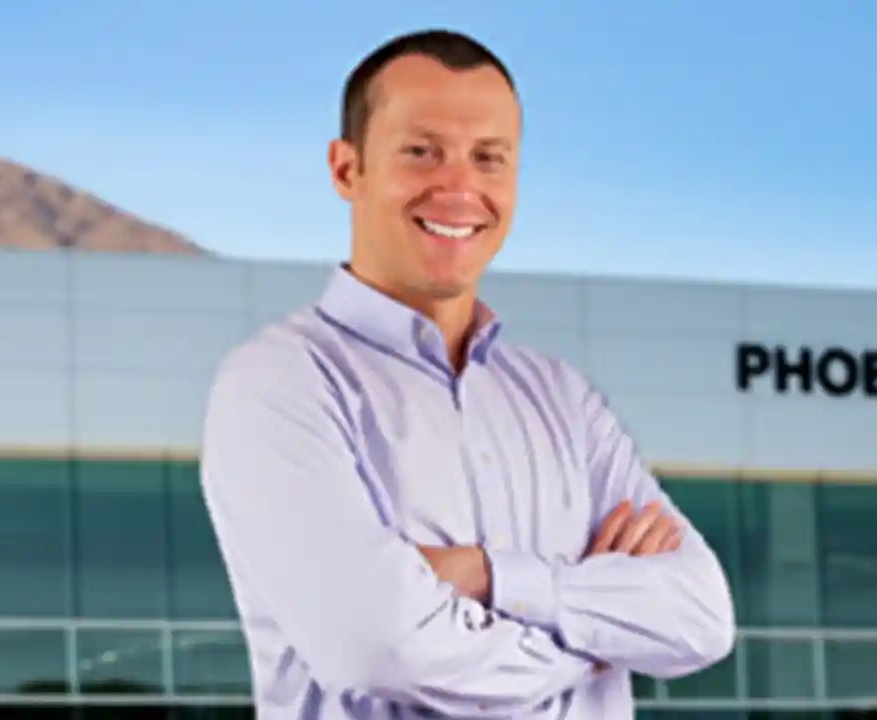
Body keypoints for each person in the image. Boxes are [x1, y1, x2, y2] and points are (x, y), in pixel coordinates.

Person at [199, 28, 735, 719]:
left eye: (489, 159)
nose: (459, 188)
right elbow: (380, 651)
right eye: (421, 152)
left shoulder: (561, 400)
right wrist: (599, 641)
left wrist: (486, 577)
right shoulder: (279, 385)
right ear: (346, 169)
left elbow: (702, 618)